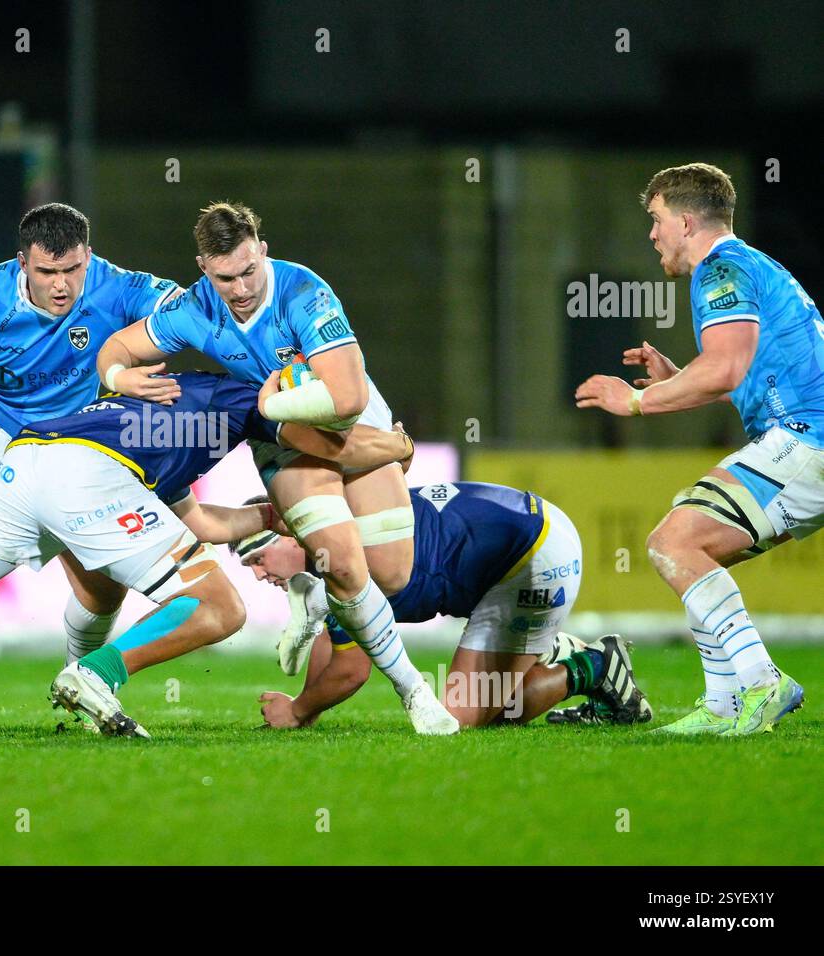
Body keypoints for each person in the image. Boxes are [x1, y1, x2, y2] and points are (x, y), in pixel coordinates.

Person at [0, 372, 418, 740]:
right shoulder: (255, 393)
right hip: (90, 478)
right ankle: (97, 673)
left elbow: (202, 519)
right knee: (220, 604)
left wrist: (274, 517)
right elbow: (333, 447)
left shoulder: (171, 401)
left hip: (27, 465)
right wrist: (393, 446)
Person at [95, 202, 454, 732]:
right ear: (202, 267)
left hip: (351, 426)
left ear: (262, 251)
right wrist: (120, 377)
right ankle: (416, 693)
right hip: (284, 442)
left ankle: (311, 585)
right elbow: (118, 347)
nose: (240, 289)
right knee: (348, 565)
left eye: (248, 271)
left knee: (393, 573)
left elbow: (348, 399)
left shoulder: (304, 293)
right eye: (225, 278)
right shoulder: (194, 307)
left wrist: (271, 404)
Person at [0, 202, 181, 735]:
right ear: (22, 262)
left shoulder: (116, 286)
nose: (62, 284)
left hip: (74, 446)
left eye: (73, 269)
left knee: (104, 591)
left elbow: (190, 307)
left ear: (88, 257)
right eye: (47, 272)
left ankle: (82, 686)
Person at [575, 162, 816, 735]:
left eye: (656, 220)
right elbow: (745, 374)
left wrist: (636, 402)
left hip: (808, 441)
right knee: (693, 550)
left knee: (672, 543)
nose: (652, 234)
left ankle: (761, 684)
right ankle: (725, 705)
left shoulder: (719, 269)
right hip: (806, 439)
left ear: (686, 222)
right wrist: (677, 376)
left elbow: (725, 370)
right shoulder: (752, 265)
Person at [235, 483, 650, 728]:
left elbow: (350, 671)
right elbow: (337, 642)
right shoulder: (330, 538)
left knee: (467, 713)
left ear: (288, 536)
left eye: (256, 559)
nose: (257, 575)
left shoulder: (341, 559)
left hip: (532, 553)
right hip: (521, 538)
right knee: (484, 694)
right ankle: (544, 646)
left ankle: (596, 666)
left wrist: (297, 711)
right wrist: (305, 707)